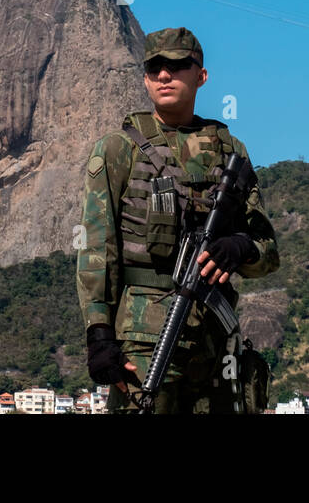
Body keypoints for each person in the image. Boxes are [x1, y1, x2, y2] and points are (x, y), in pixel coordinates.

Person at [76, 27, 279, 413]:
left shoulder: (230, 151)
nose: (164, 75)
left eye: (177, 65)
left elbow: (268, 253)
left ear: (201, 75)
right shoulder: (117, 149)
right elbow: (97, 250)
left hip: (216, 342)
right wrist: (99, 335)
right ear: (145, 77)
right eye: (154, 68)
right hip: (143, 341)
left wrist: (240, 247)